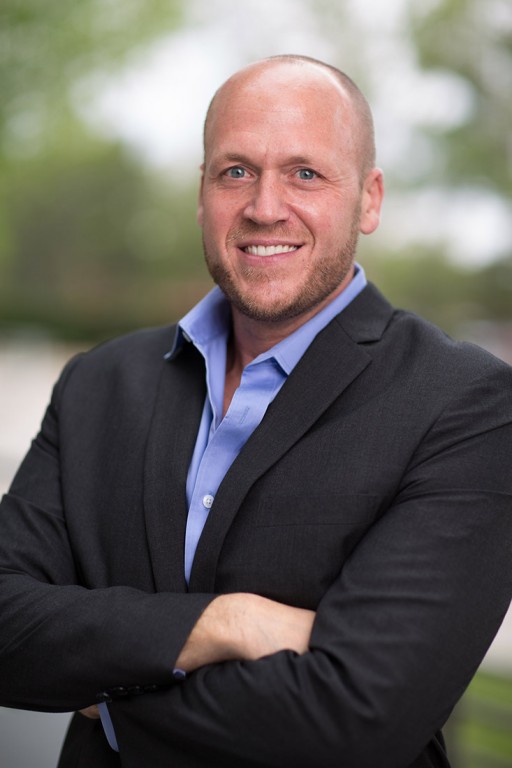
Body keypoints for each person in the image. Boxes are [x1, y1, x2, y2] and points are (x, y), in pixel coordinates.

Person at [0, 54, 511, 768]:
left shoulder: (466, 406)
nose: (264, 206)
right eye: (235, 171)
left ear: (369, 199)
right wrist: (226, 622)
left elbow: (359, 718)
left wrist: (103, 693)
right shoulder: (96, 384)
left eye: (305, 173)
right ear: (202, 193)